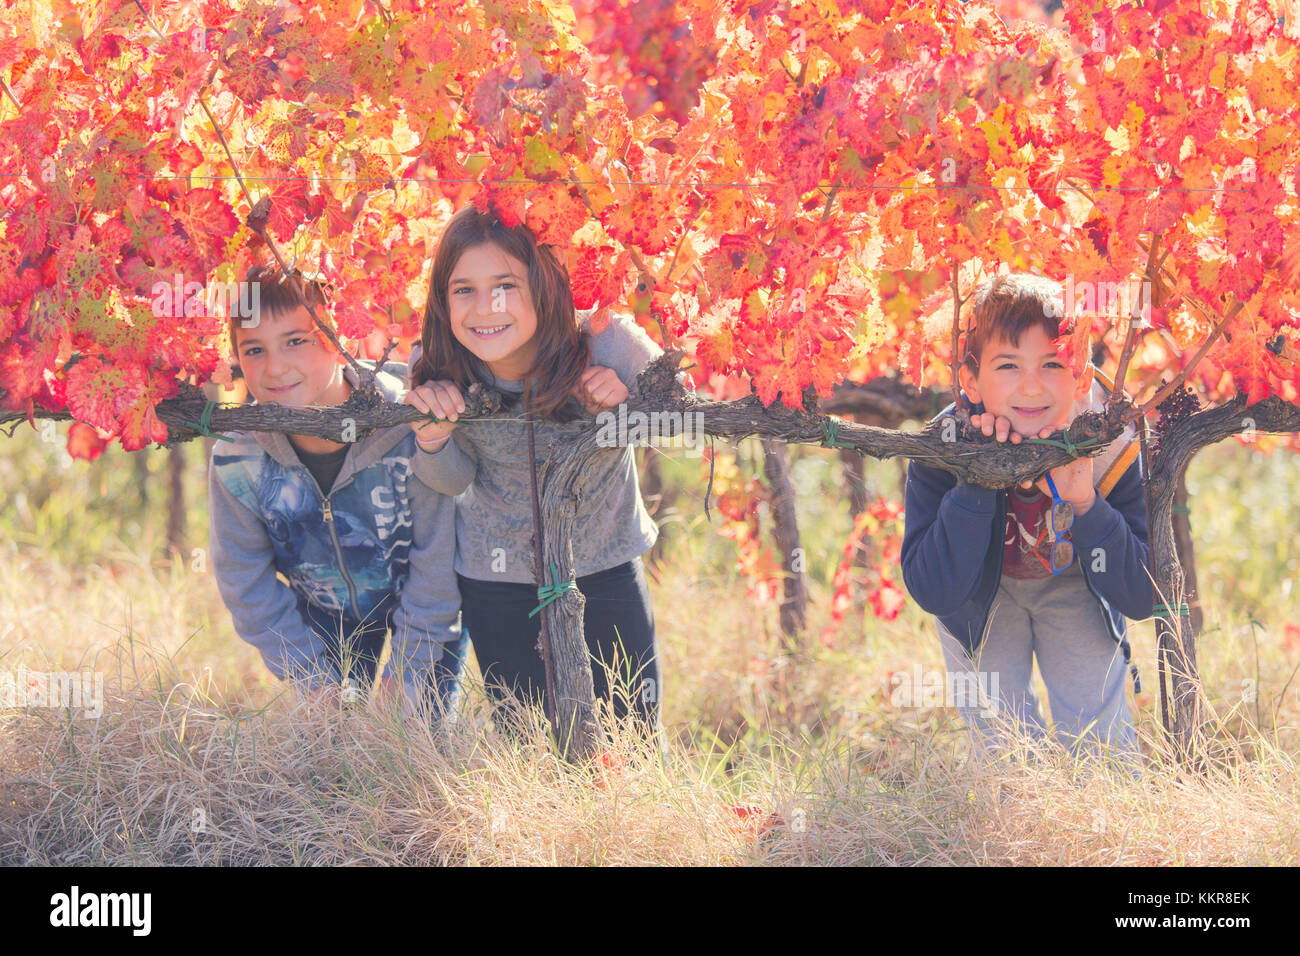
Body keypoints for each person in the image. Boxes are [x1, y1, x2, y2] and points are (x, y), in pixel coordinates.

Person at [404, 205, 663, 737]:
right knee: (529, 745)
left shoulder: (605, 339)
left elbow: (686, 423)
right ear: (442, 300)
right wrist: (432, 441)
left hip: (604, 568)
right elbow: (453, 481)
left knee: (631, 739)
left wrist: (627, 410)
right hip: (497, 581)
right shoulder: (435, 363)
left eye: (504, 285)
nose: (484, 308)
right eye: (462, 290)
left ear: (543, 284)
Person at [901, 272, 1153, 761]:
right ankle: (1020, 830)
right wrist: (978, 478)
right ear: (971, 380)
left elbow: (1142, 596)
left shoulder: (1111, 446)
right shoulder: (943, 447)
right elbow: (935, 590)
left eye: (1054, 363)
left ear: (1081, 373)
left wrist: (1086, 506)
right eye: (1009, 365)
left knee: (1100, 746)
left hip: (1077, 586)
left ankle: (1106, 832)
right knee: (1001, 748)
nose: (1032, 387)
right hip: (981, 599)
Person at [208, 265, 466, 721]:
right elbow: (243, 578)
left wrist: (405, 673)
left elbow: (438, 560)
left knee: (409, 749)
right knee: (335, 759)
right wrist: (309, 675)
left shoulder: (406, 424)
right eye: (254, 349)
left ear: (336, 337)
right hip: (324, 615)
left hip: (423, 609)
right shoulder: (239, 457)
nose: (274, 367)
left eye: (295, 340)